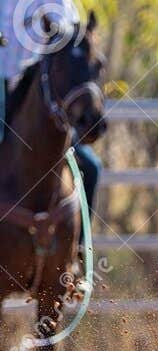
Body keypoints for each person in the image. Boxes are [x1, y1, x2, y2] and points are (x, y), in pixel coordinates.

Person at [0, 0, 100, 212]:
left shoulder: (59, 4)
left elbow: (74, 48)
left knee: (91, 169)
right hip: (4, 88)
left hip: (40, 102)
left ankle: (82, 244)